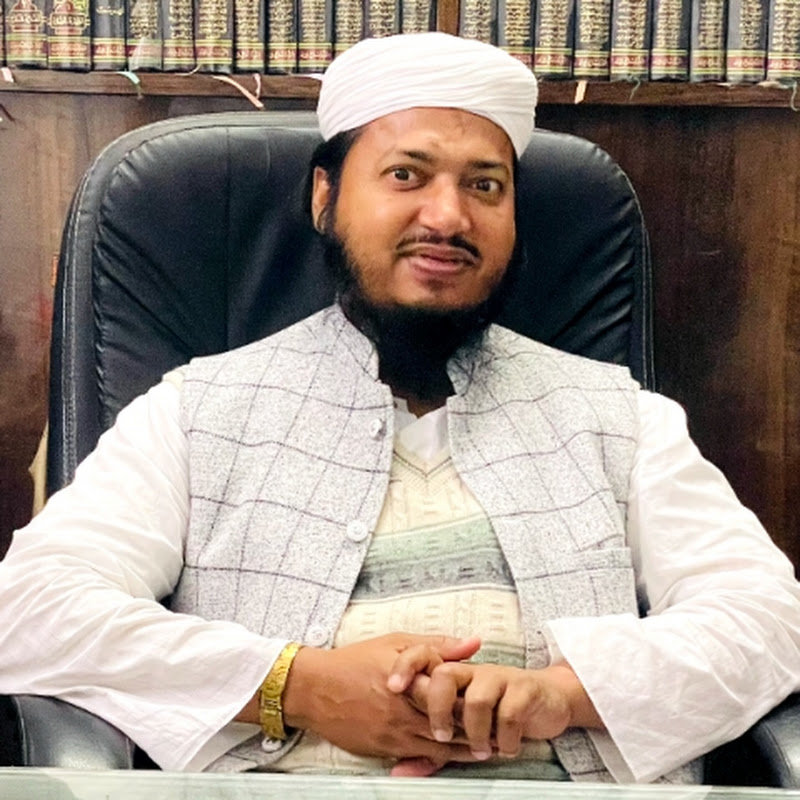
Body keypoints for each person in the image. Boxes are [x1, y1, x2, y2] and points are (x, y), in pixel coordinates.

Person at [0, 32, 799, 785]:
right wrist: (295, 686)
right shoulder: (194, 412)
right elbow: (31, 609)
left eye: (484, 186)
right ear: (325, 197)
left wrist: (563, 694)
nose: (448, 217)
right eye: (406, 176)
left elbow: (770, 620)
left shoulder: (619, 419)